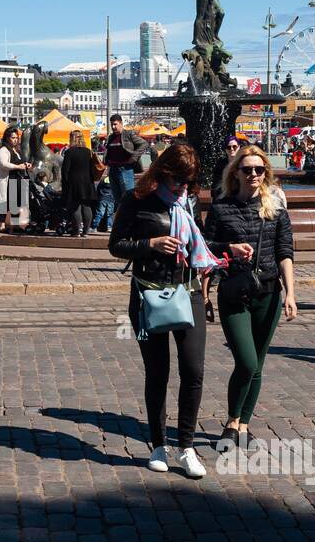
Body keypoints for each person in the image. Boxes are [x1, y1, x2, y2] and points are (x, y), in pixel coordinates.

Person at [109, 144, 235, 478]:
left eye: (189, 181)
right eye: (178, 179)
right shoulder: (136, 200)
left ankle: (187, 447)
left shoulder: (188, 201)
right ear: (163, 172)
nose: (183, 186)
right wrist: (149, 245)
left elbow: (201, 243)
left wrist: (224, 251)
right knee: (157, 372)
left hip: (189, 291)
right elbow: (115, 245)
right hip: (148, 295)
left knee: (193, 370)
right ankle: (158, 445)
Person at [203, 145, 297, 453]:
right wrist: (230, 248)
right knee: (245, 360)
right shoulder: (221, 208)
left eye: (259, 170)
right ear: (236, 173)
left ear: (266, 173)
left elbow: (285, 253)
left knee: (257, 364)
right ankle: (231, 422)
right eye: (247, 170)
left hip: (268, 293)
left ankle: (244, 424)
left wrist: (291, 294)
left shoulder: (276, 210)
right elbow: (206, 249)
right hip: (234, 291)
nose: (254, 174)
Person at [60, 130, 99, 237]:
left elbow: (65, 170)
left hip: (74, 183)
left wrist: (65, 185)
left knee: (75, 207)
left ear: (72, 138)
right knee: (86, 206)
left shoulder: (69, 152)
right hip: (87, 182)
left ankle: (76, 231)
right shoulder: (88, 151)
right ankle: (85, 232)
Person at [104, 114, 150, 201]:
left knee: (128, 198)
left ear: (121, 123)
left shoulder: (128, 134)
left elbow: (144, 144)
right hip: (113, 170)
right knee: (117, 199)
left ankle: (129, 214)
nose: (113, 127)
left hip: (125, 169)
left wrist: (133, 158)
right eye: (112, 125)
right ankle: (119, 214)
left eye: (115, 124)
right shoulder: (111, 137)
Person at [0, 126, 31, 232]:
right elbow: (3, 164)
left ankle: (14, 225)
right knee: (3, 204)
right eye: (12, 137)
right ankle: (1, 226)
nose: (15, 139)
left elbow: (19, 162)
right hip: (7, 180)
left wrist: (26, 164)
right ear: (7, 138)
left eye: (16, 137)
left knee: (15, 204)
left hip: (16, 180)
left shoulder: (17, 150)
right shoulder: (3, 150)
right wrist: (18, 167)